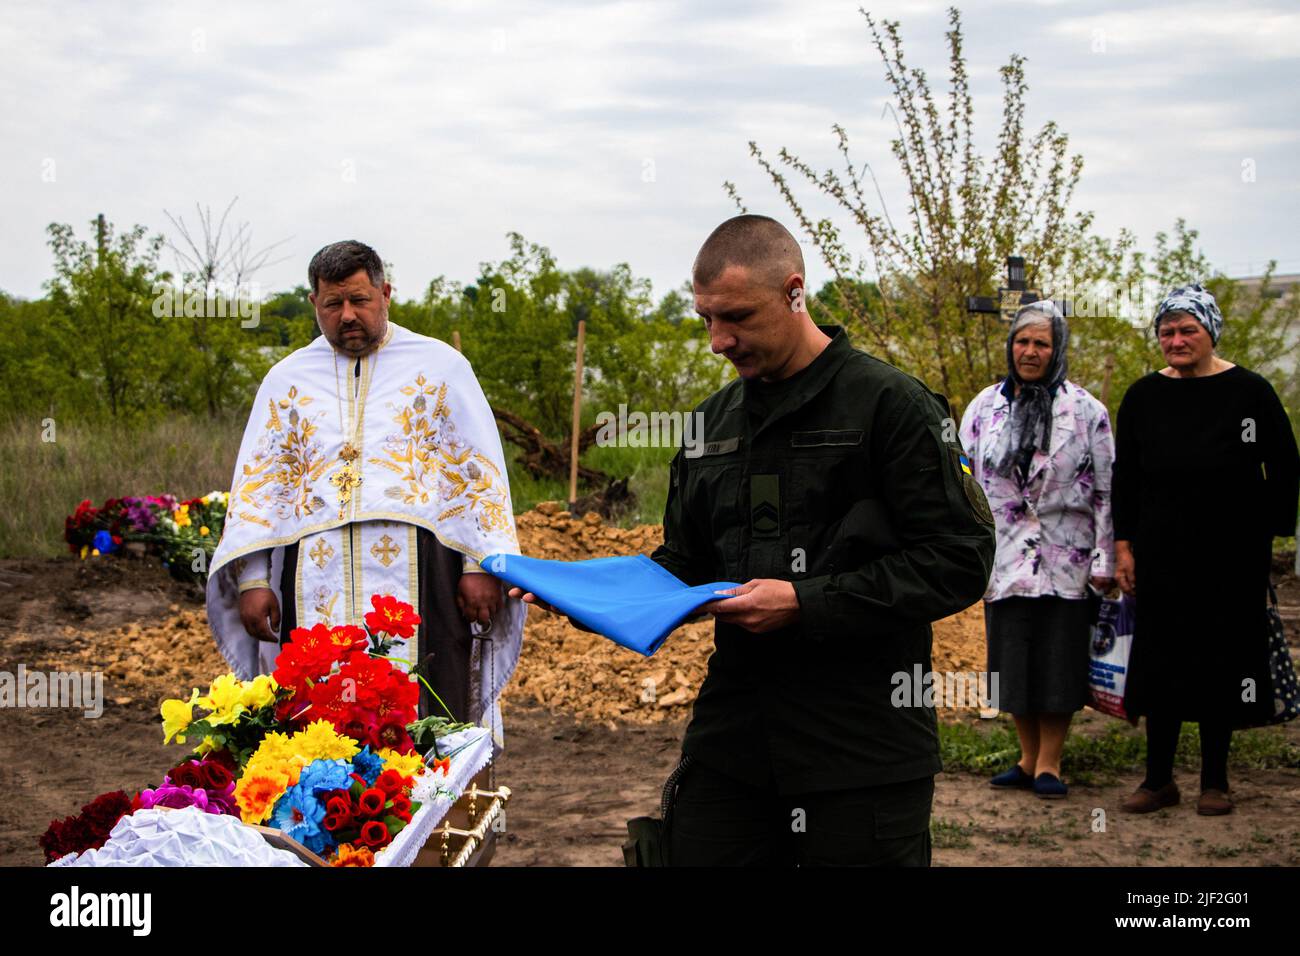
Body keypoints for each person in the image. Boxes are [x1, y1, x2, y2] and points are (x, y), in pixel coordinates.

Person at [513, 215, 995, 865]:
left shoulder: (894, 407)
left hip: (861, 749)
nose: (717, 340)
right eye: (705, 318)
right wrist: (585, 593)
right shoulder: (710, 424)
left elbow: (960, 558)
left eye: (735, 316)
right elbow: (683, 561)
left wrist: (806, 601)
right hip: (734, 741)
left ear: (794, 292)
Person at [206, 240, 525, 740]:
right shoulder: (286, 380)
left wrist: (478, 565)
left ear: (386, 293)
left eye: (360, 300)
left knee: (432, 714)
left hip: (424, 572)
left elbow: (477, 474)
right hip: (313, 572)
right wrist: (252, 581)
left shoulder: (441, 368)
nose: (348, 315)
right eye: (333, 305)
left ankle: (435, 813)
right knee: (314, 714)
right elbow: (260, 488)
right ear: (314, 304)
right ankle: (333, 812)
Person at [1112, 283, 1300, 816]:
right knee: (1161, 661)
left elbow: (1285, 466)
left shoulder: (1250, 392)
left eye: (1187, 330)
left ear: (1210, 332)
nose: (1176, 340)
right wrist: (1124, 545)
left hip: (1231, 557)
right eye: (1167, 331)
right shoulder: (1144, 396)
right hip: (1161, 553)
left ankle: (1214, 782)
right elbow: (1125, 477)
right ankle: (1157, 780)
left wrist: (1265, 532)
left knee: (1223, 662)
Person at [959, 300, 1115, 800]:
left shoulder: (1087, 410)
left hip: (1064, 558)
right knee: (1014, 663)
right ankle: (1026, 759)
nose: (1029, 351)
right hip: (1004, 558)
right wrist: (965, 549)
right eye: (1022, 341)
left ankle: (1050, 762)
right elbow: (963, 482)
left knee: (1057, 661)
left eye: (1041, 343)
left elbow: (1108, 490)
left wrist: (1106, 557)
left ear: (1057, 349)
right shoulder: (985, 406)